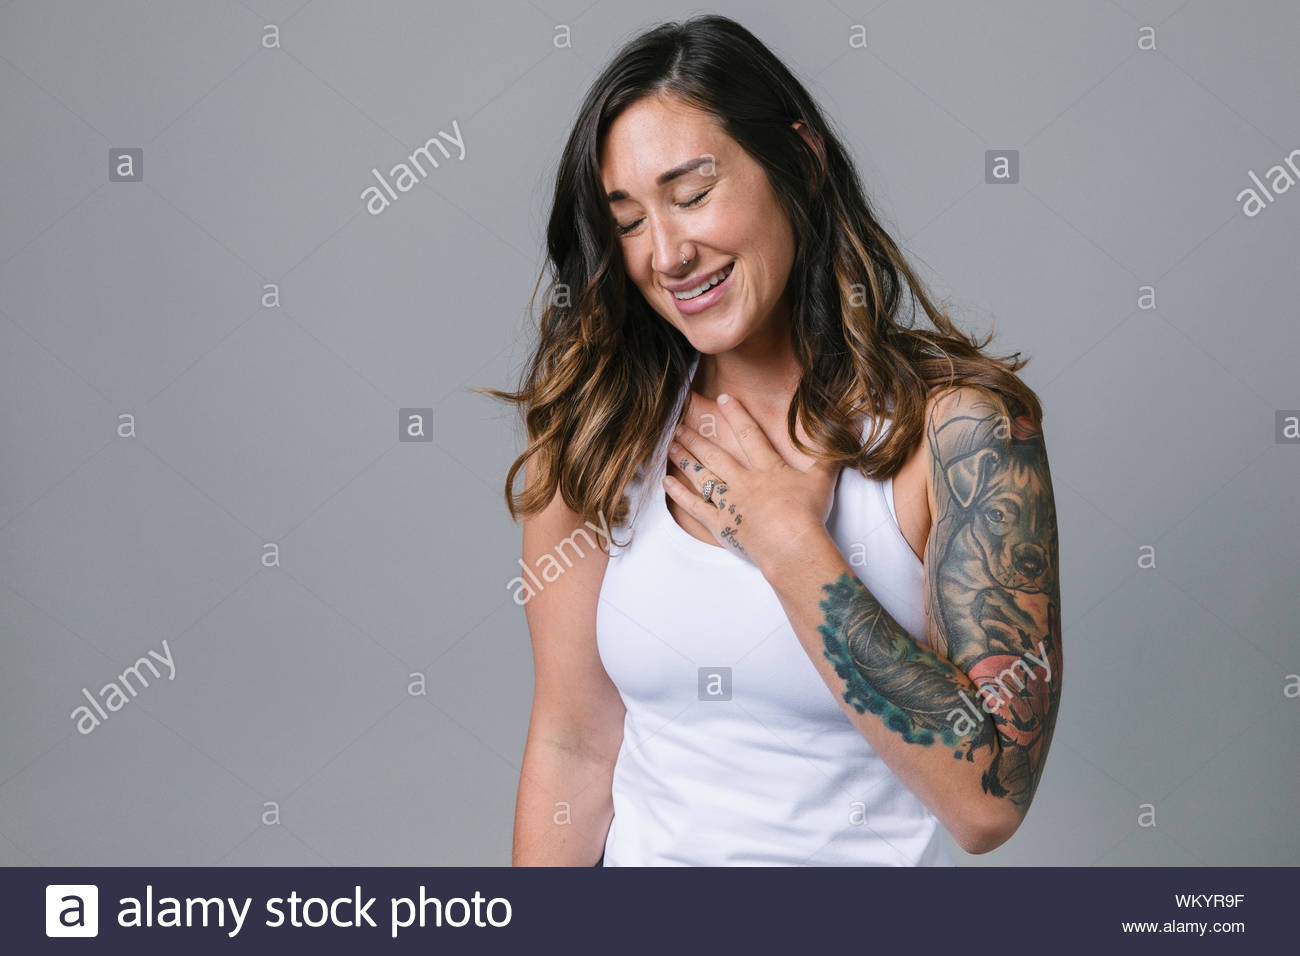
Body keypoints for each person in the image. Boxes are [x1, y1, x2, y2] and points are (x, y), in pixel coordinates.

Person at [482, 14, 1062, 866]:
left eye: (691, 193)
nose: (668, 253)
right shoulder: (599, 437)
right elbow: (572, 750)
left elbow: (990, 803)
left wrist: (791, 542)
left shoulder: (961, 435)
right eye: (630, 220)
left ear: (801, 158)